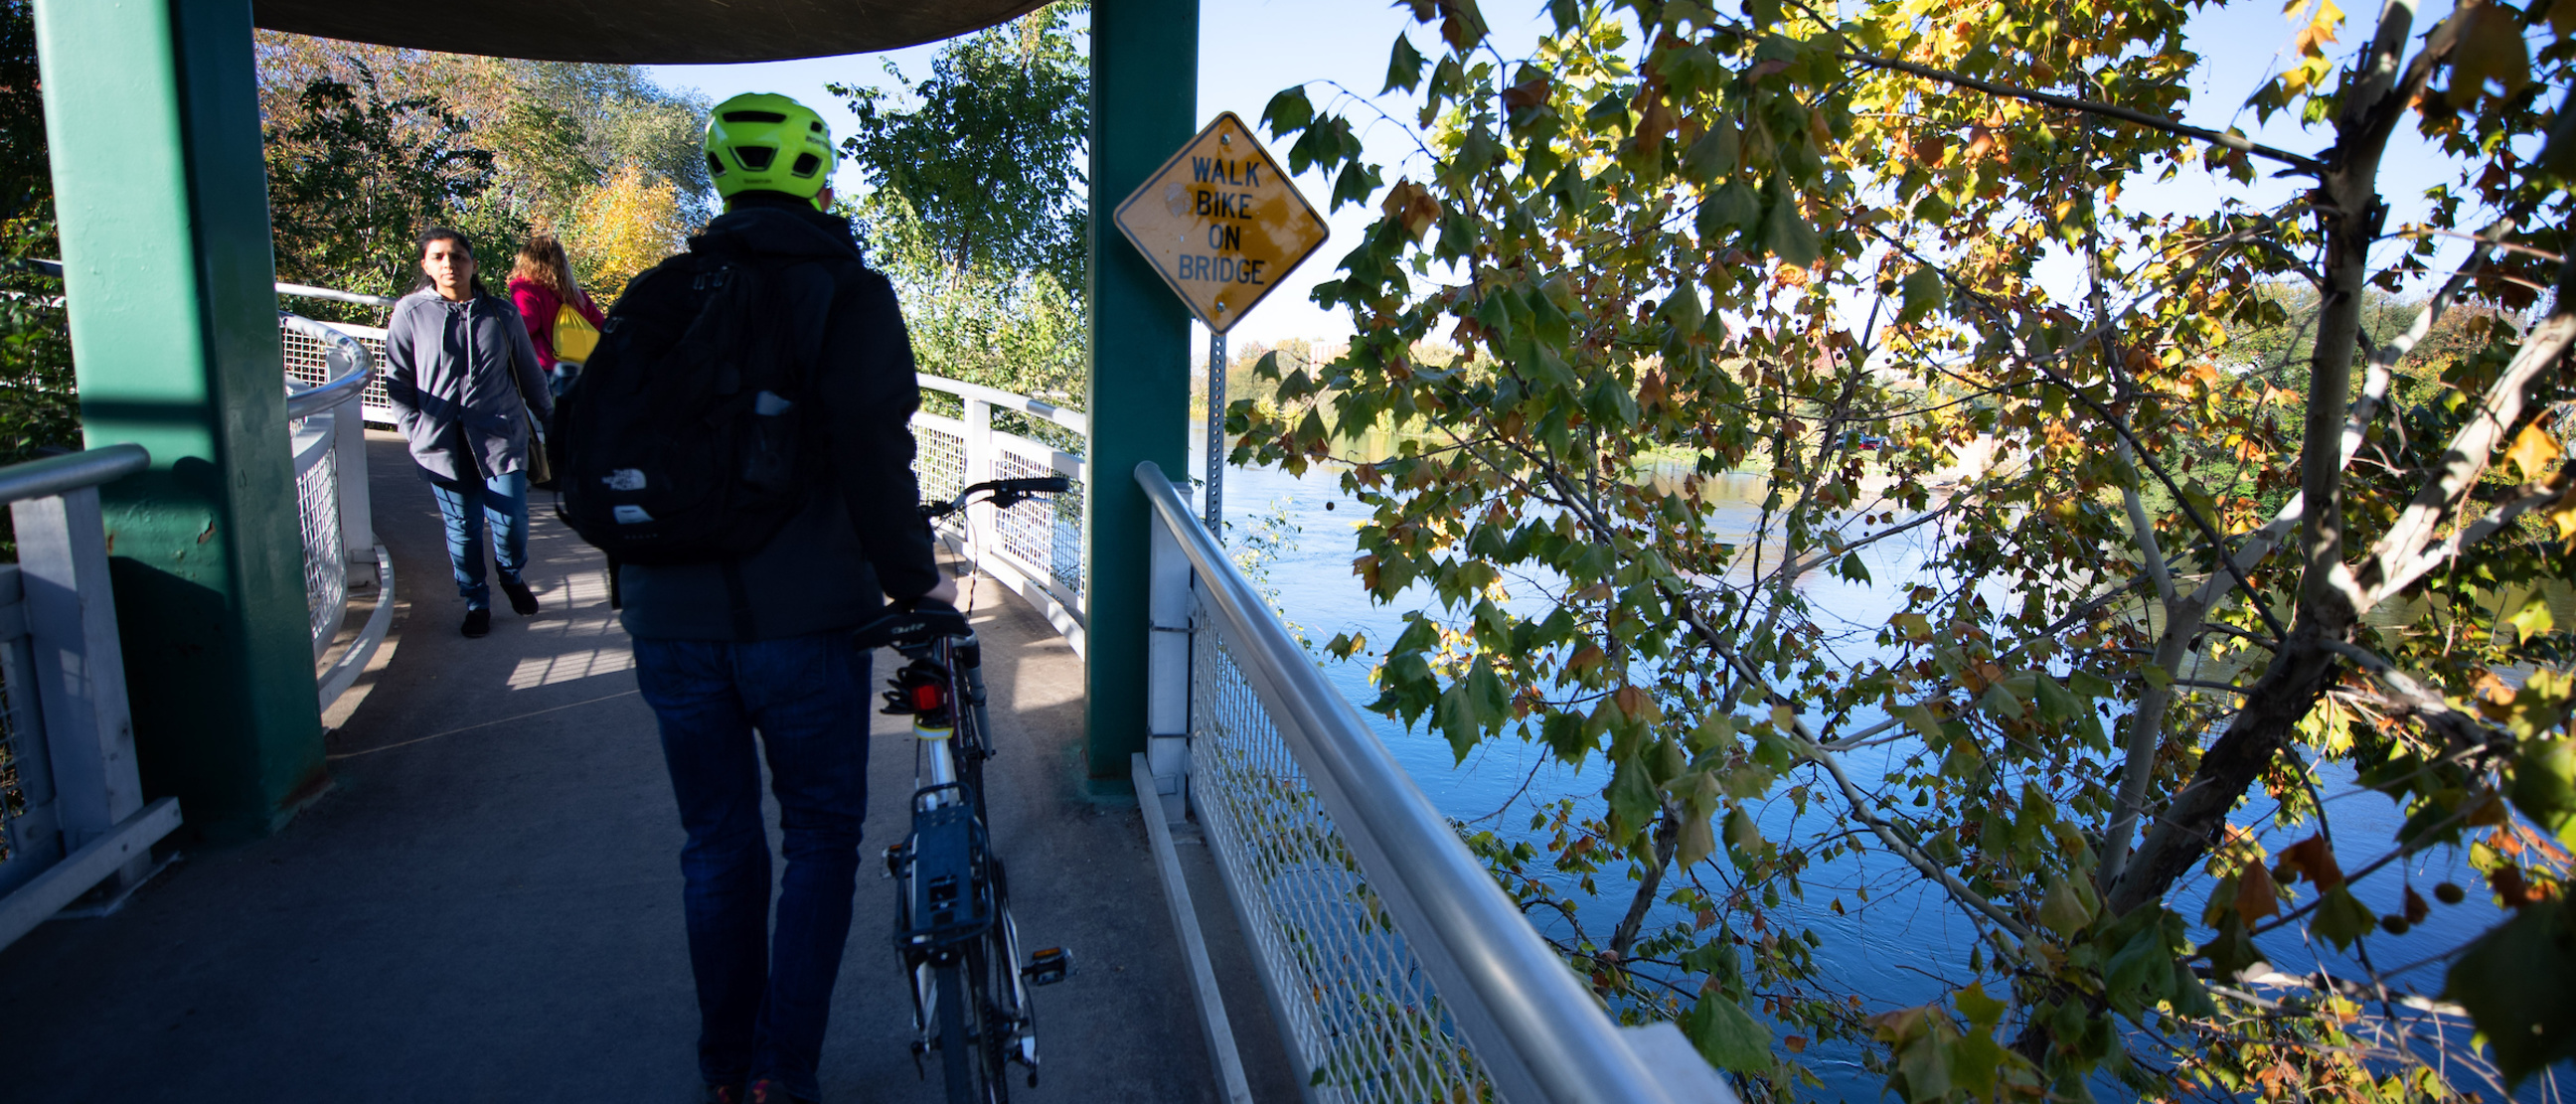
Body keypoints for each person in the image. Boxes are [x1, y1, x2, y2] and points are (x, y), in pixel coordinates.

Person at [606, 92, 956, 1104]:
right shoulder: (845, 294)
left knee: (715, 840)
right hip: (802, 621)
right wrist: (914, 582)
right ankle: (778, 1071)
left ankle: (723, 1069)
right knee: (819, 836)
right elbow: (871, 449)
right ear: (817, 178)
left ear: (721, 178)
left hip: (670, 621)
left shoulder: (662, 290)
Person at [381, 227, 553, 639]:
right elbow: (398, 381)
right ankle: (476, 601)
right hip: (441, 444)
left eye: (457, 256)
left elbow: (531, 378)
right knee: (463, 528)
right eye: (437, 257)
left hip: (501, 438)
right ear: (425, 264)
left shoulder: (502, 313)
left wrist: (554, 426)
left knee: (511, 524)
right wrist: (414, 430)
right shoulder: (410, 312)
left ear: (473, 264)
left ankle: (510, 575)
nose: (448, 264)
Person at [506, 232, 606, 395]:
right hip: (584, 369)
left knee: (550, 419)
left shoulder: (525, 289)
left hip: (546, 371)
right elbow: (601, 327)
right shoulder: (577, 295)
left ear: (526, 261)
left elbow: (525, 326)